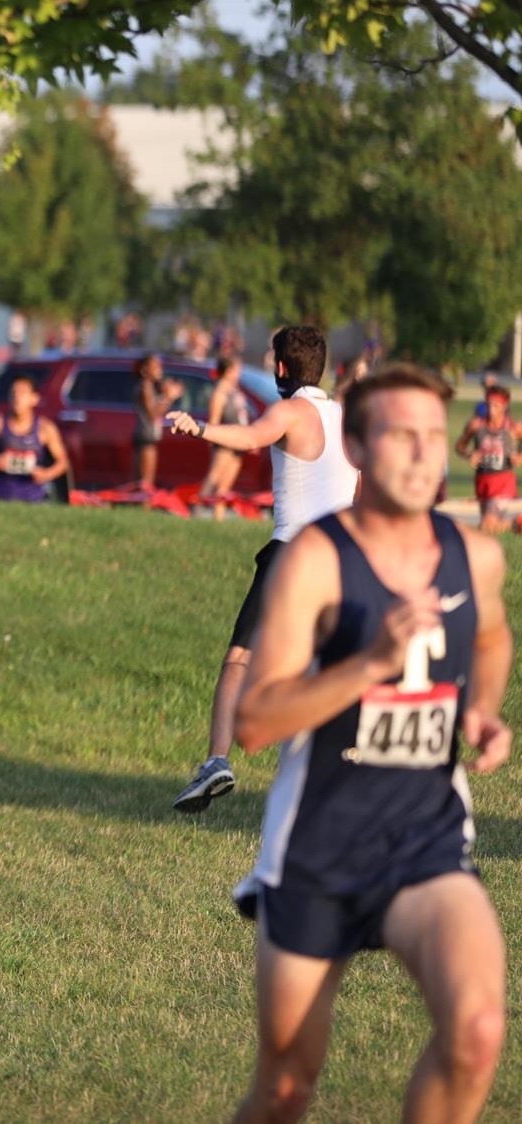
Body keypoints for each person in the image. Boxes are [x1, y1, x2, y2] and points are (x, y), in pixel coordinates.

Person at [228, 363, 511, 1123]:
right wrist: (371, 665)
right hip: (319, 845)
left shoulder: (475, 557)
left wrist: (481, 709)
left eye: (431, 437)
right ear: (355, 444)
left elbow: (489, 637)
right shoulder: (316, 562)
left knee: (478, 1031)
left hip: (425, 839)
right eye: (399, 435)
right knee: (285, 1088)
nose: (422, 454)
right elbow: (254, 722)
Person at [168, 326, 362, 814]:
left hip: (292, 553)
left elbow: (251, 437)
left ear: (280, 368)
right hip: (340, 558)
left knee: (240, 659)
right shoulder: (344, 417)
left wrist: (199, 428)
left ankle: (216, 760)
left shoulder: (289, 411)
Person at [0, 375, 67, 503]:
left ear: (34, 399)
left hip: (35, 499)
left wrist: (46, 474)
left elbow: (63, 463)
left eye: (23, 393)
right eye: (14, 393)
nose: (17, 398)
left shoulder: (45, 428)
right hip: (2, 497)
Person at [456, 386, 521, 534]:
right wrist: (469, 455)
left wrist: (519, 457)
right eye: (488, 404)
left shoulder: (513, 427)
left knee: (487, 525)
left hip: (503, 482)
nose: (491, 409)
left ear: (504, 406)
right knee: (486, 530)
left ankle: (516, 525)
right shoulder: (476, 425)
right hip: (482, 481)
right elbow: (460, 446)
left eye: (496, 405)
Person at [198, 357, 252, 511]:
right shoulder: (219, 393)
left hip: (238, 441)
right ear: (228, 371)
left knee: (224, 487)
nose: (239, 373)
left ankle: (218, 518)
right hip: (224, 443)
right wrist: (213, 445)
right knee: (213, 478)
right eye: (237, 370)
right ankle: (197, 508)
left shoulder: (234, 390)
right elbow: (213, 423)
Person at [134, 353, 182, 494]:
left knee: (145, 481)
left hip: (148, 437)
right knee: (145, 483)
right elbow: (152, 413)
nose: (159, 369)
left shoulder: (150, 387)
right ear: (145, 369)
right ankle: (143, 510)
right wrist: (168, 397)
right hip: (146, 438)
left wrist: (165, 394)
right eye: (155, 366)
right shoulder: (145, 387)